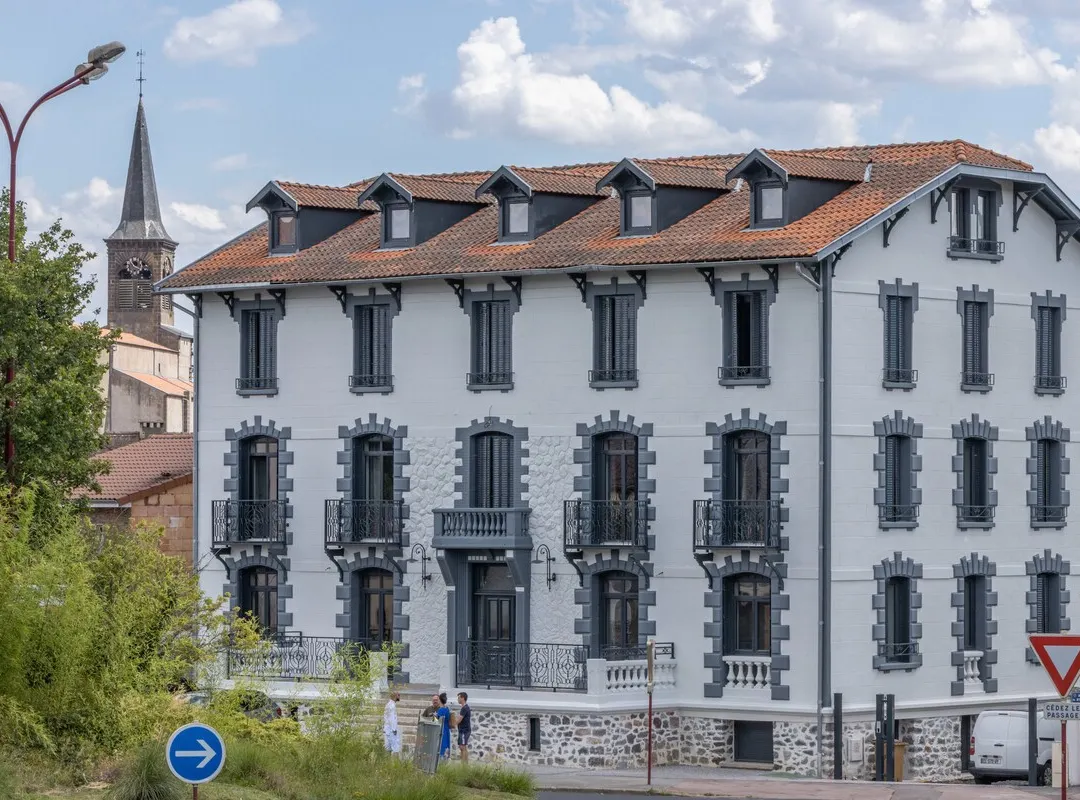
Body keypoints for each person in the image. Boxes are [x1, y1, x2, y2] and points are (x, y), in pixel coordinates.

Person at [383, 691, 401, 755]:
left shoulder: (388, 704)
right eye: (398, 695)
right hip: (391, 730)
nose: (399, 696)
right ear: (395, 696)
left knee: (388, 748)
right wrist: (394, 729)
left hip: (387, 729)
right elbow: (392, 718)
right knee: (395, 748)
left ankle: (388, 763)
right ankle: (396, 764)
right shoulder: (392, 706)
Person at [456, 691, 472, 763]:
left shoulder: (464, 708)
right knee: (463, 747)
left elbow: (459, 720)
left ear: (463, 698)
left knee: (462, 747)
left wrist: (452, 723)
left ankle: (464, 764)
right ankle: (465, 764)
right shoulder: (464, 707)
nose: (458, 699)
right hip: (463, 730)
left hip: (464, 730)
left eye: (459, 697)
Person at [436, 692, 451, 759]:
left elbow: (437, 720)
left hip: (441, 729)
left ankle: (441, 757)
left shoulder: (440, 710)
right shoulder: (447, 709)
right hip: (446, 728)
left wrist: (435, 716)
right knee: (446, 743)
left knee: (441, 743)